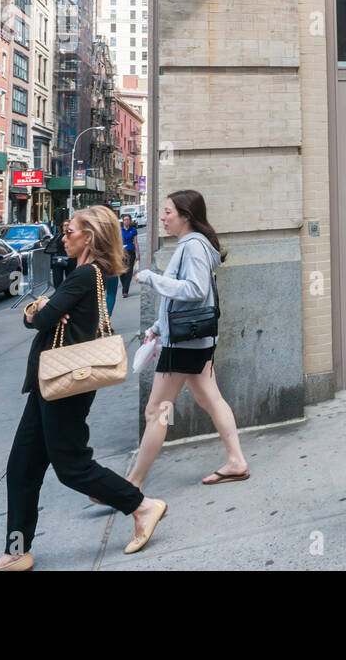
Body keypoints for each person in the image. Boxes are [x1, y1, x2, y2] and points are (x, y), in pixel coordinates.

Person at [0, 205, 167, 570]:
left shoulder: (86, 275)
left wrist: (42, 307)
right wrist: (39, 307)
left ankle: (142, 505)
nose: (63, 237)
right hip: (50, 382)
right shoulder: (82, 274)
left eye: (70, 231)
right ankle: (16, 552)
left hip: (67, 383)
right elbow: (38, 315)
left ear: (90, 237)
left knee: (71, 466)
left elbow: (43, 319)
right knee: (22, 465)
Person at [129, 190, 248, 487]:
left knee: (156, 410)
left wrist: (152, 278)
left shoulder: (193, 246)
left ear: (186, 216)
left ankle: (132, 484)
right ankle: (236, 461)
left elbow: (194, 290)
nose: (163, 217)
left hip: (183, 344)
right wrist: (158, 326)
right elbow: (184, 298)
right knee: (208, 397)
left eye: (168, 212)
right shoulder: (193, 245)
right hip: (193, 340)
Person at [46, 220, 71, 288]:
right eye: (65, 225)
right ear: (62, 227)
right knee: (57, 281)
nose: (66, 227)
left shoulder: (73, 236)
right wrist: (51, 262)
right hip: (58, 261)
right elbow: (51, 249)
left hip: (71, 261)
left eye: (68, 225)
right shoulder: (58, 236)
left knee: (70, 281)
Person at [120, 214, 139, 298]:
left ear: (130, 221)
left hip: (131, 252)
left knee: (129, 271)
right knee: (121, 271)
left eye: (128, 219)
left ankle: (125, 291)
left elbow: (135, 242)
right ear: (123, 221)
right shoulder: (120, 230)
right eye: (125, 220)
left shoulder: (133, 230)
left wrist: (138, 253)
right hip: (121, 253)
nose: (126, 221)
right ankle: (125, 285)